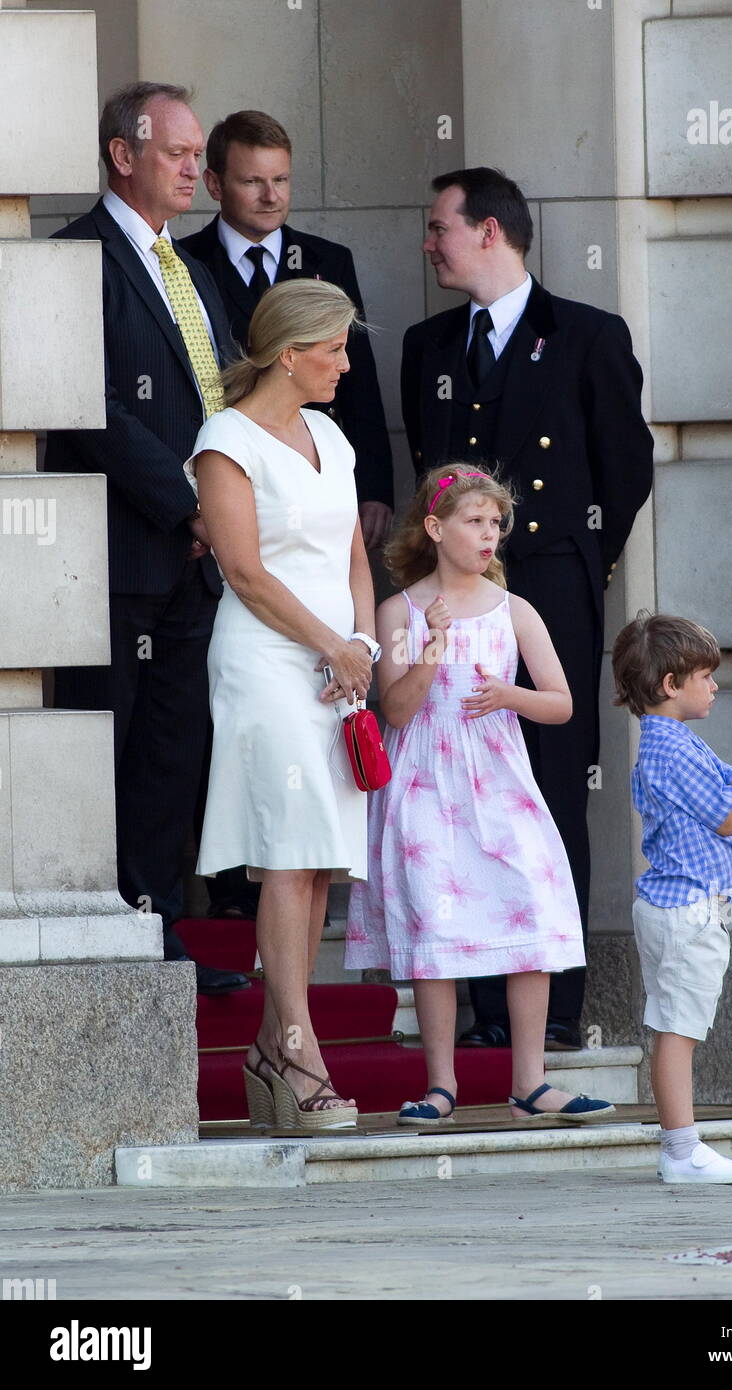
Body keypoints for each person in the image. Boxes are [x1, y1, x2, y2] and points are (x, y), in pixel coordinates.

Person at [402, 167, 654, 1050]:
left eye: (439, 228)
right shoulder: (426, 345)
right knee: (456, 790)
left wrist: (581, 565)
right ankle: (478, 1017)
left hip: (546, 587)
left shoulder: (585, 334)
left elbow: (625, 468)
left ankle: (556, 1013)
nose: (428, 244)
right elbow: (429, 481)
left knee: (546, 789)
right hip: (453, 601)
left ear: (490, 232)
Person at [47, 81, 246, 995]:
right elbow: (89, 407)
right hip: (116, 559)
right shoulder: (71, 259)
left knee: (178, 749)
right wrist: (186, 501)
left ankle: (162, 926)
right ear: (123, 156)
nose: (195, 169)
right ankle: (107, 927)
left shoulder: (194, 269)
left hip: (199, 563)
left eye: (199, 153)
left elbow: (216, 399)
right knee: (116, 746)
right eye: (177, 152)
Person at [345, 465, 615, 1125]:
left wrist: (507, 695)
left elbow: (560, 703)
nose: (488, 534)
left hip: (498, 785)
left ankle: (531, 1079)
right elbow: (399, 711)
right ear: (435, 529)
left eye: (495, 522)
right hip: (424, 786)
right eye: (473, 521)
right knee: (436, 922)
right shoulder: (398, 610)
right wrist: (432, 650)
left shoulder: (513, 610)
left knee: (528, 903)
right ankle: (441, 1084)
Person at [185, 278, 379, 1131]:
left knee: (317, 862)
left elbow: (355, 558)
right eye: (333, 348)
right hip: (267, 661)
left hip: (336, 670)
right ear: (290, 352)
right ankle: (299, 1053)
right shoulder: (226, 438)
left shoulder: (330, 434)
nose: (344, 363)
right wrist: (329, 645)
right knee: (285, 853)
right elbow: (245, 572)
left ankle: (275, 1048)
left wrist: (363, 647)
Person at [612, 613, 732, 1183]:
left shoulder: (675, 741)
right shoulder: (668, 749)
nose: (714, 685)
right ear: (669, 685)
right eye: (706, 675)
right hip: (685, 910)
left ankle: (681, 1149)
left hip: (681, 907)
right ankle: (682, 1152)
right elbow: (731, 819)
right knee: (678, 1031)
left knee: (676, 1026)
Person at [180, 109, 393, 546]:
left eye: (281, 180)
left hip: (312, 467)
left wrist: (374, 488)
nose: (271, 195)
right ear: (215, 184)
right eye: (252, 181)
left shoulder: (328, 261)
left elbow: (360, 381)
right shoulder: (185, 263)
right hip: (226, 463)